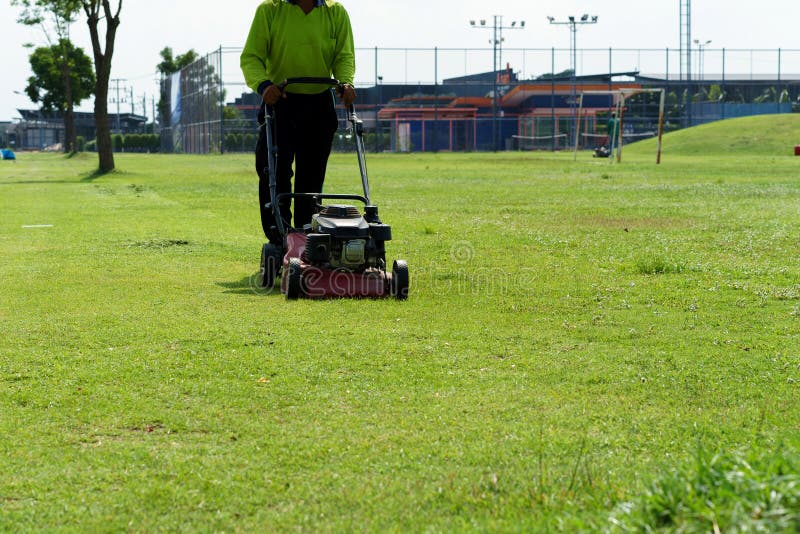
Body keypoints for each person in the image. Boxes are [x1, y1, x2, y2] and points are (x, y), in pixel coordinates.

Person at [240, 0, 356, 245]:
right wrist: (263, 85)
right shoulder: (270, 10)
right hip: (280, 102)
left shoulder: (335, 12)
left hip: (319, 105)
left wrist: (345, 83)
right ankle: (279, 238)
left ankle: (307, 237)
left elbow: (344, 55)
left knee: (312, 180)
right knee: (275, 172)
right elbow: (251, 57)